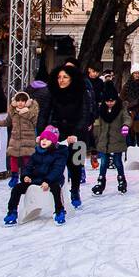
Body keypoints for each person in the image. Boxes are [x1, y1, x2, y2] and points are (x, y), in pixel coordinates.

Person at [3, 126, 69, 225]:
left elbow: (57, 170)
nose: (44, 141)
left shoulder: (58, 154)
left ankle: (59, 211)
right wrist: (26, 176)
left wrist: (47, 181)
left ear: (53, 141)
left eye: (47, 139)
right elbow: (28, 167)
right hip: (36, 179)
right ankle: (12, 212)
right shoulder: (36, 153)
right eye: (43, 139)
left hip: (53, 180)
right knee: (17, 188)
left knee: (56, 189)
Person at [47, 65, 91, 209]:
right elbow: (50, 114)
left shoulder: (81, 93)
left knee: (76, 165)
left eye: (65, 77)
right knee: (58, 164)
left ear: (72, 79)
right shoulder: (54, 93)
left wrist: (76, 133)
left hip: (78, 135)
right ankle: (58, 192)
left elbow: (85, 114)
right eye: (59, 77)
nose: (61, 80)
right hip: (60, 134)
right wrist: (49, 130)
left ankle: (75, 190)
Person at [0, 91, 39, 188]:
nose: (20, 103)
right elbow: (6, 122)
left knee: (27, 159)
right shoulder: (13, 112)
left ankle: (26, 175)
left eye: (23, 101)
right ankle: (14, 176)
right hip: (15, 139)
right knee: (13, 157)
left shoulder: (31, 112)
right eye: (18, 101)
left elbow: (36, 122)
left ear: (27, 102)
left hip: (27, 139)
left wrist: (26, 112)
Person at [90, 87, 130, 195]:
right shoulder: (101, 110)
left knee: (117, 161)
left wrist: (125, 126)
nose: (109, 103)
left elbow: (127, 118)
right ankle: (101, 181)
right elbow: (97, 123)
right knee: (103, 162)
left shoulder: (121, 109)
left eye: (112, 101)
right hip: (103, 141)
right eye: (107, 101)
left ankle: (122, 180)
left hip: (117, 140)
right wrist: (95, 133)